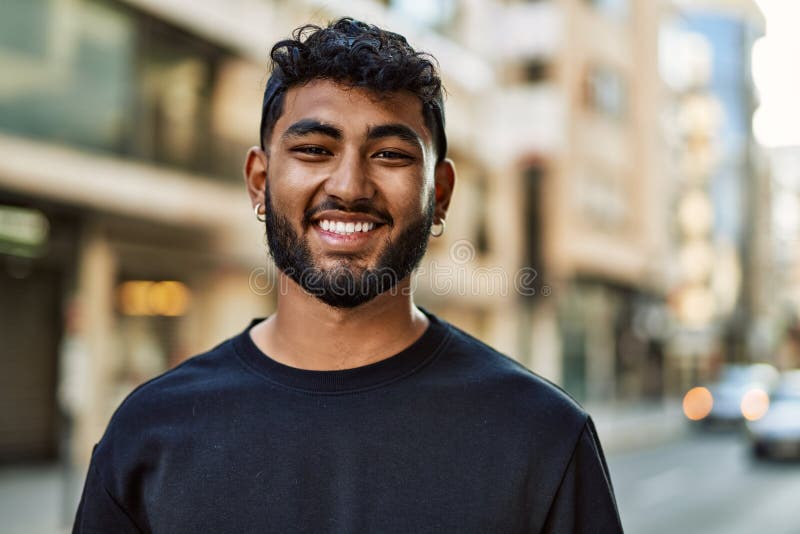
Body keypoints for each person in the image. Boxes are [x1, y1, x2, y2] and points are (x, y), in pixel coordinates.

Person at [73, 18, 623, 533]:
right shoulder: (147, 434)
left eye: (389, 154)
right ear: (259, 181)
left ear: (442, 195)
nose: (350, 185)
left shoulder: (542, 436)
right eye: (314, 149)